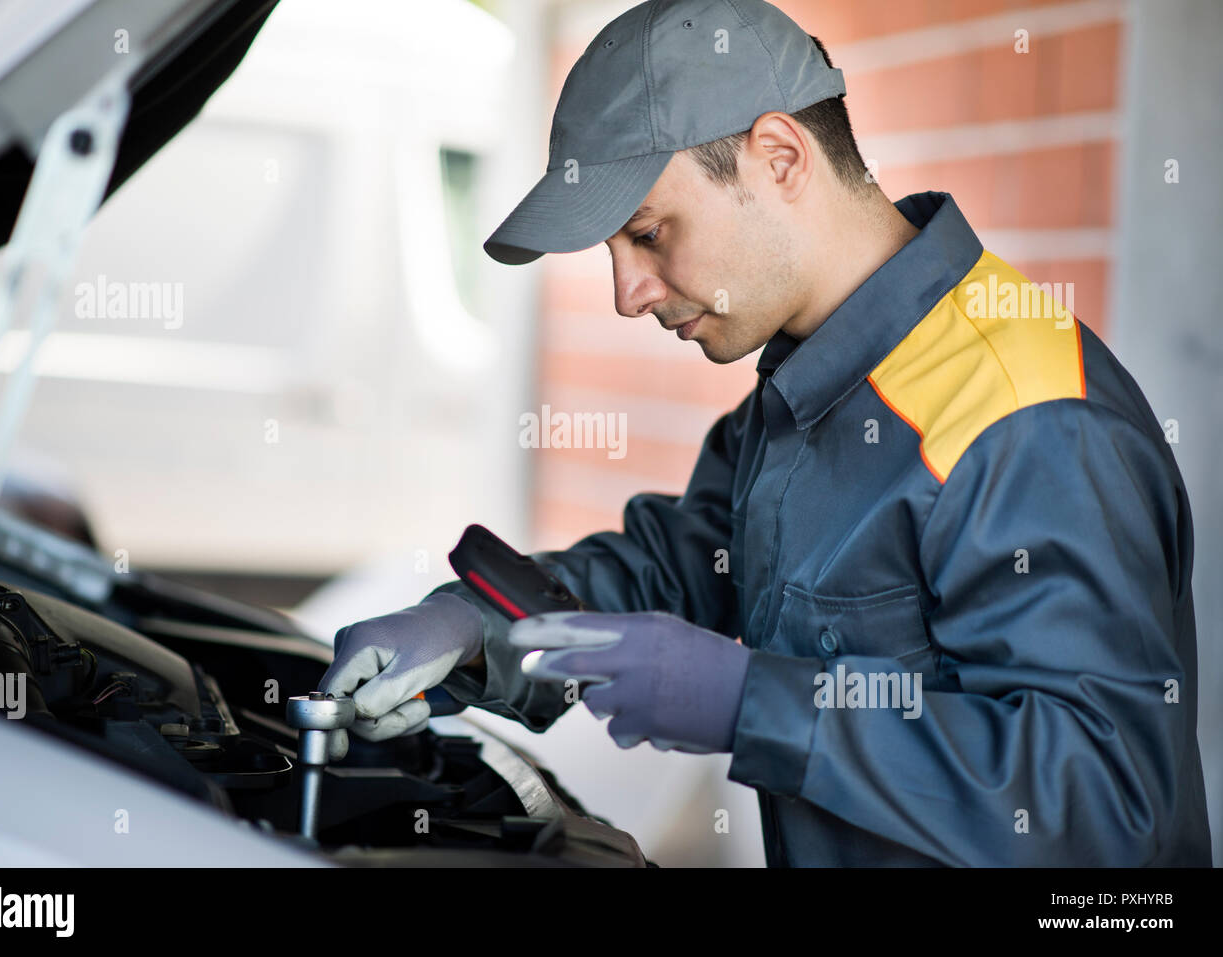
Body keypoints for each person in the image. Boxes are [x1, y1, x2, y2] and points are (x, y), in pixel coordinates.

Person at [321, 0, 1211, 866]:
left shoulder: (1029, 421)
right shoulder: (813, 377)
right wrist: (478, 624)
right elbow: (683, 562)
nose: (629, 294)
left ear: (780, 157)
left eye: (648, 233)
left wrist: (757, 704)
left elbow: (1100, 807)